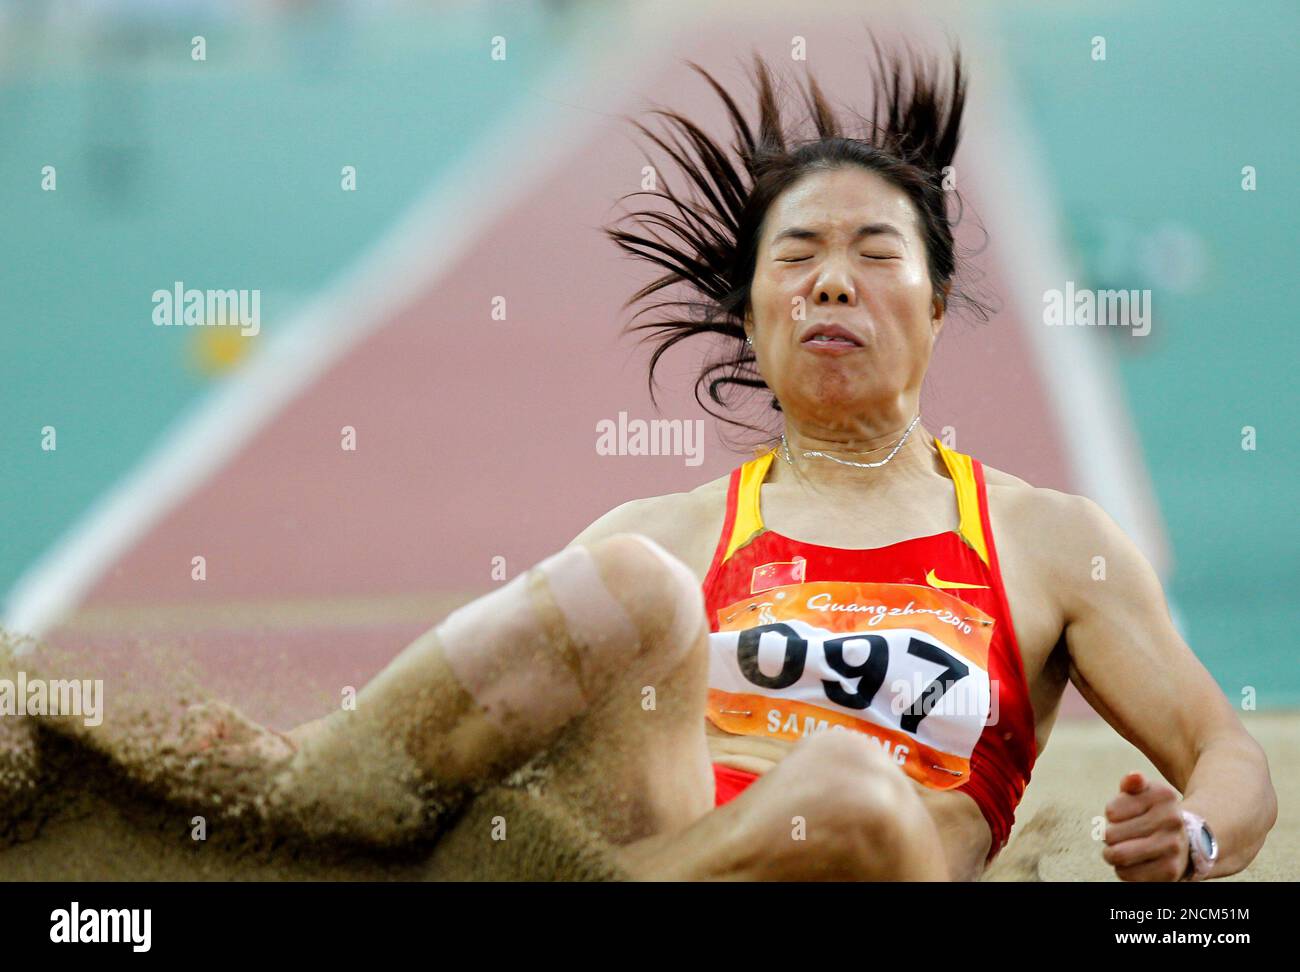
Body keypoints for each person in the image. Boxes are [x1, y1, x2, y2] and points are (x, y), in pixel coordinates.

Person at [74, 41, 1278, 882]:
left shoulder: (1046, 540)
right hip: (664, 840)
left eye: (873, 250)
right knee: (627, 587)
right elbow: (486, 705)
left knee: (845, 787)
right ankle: (274, 821)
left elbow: (1226, 756)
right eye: (796, 255)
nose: (832, 279)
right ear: (752, 320)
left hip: (877, 859)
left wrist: (1196, 841)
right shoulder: (678, 529)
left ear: (936, 296)